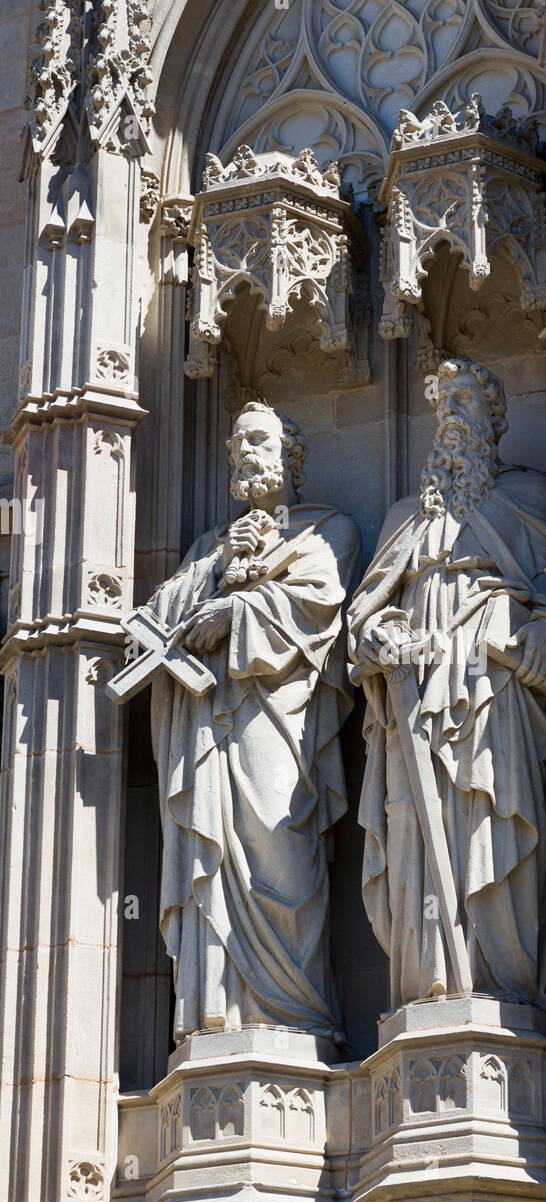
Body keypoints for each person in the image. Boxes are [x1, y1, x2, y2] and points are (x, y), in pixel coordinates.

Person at [347, 358, 546, 1020]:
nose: (451, 417)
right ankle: (431, 982)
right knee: (416, 824)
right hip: (414, 695)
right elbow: (363, 613)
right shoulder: (407, 517)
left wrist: (536, 635)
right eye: (441, 405)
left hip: (494, 693)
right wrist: (380, 634)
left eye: (465, 401)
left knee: (495, 819)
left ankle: (504, 986)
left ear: (494, 420)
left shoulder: (529, 498)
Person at [148, 401, 360, 1042]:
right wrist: (217, 570)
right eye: (236, 446)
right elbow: (158, 616)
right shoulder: (209, 548)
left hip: (280, 722)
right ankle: (216, 1016)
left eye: (260, 442)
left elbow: (318, 603)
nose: (245, 454)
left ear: (291, 454)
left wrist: (233, 615)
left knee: (279, 842)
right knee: (212, 859)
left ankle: (295, 1018)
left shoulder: (327, 531)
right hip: (211, 727)